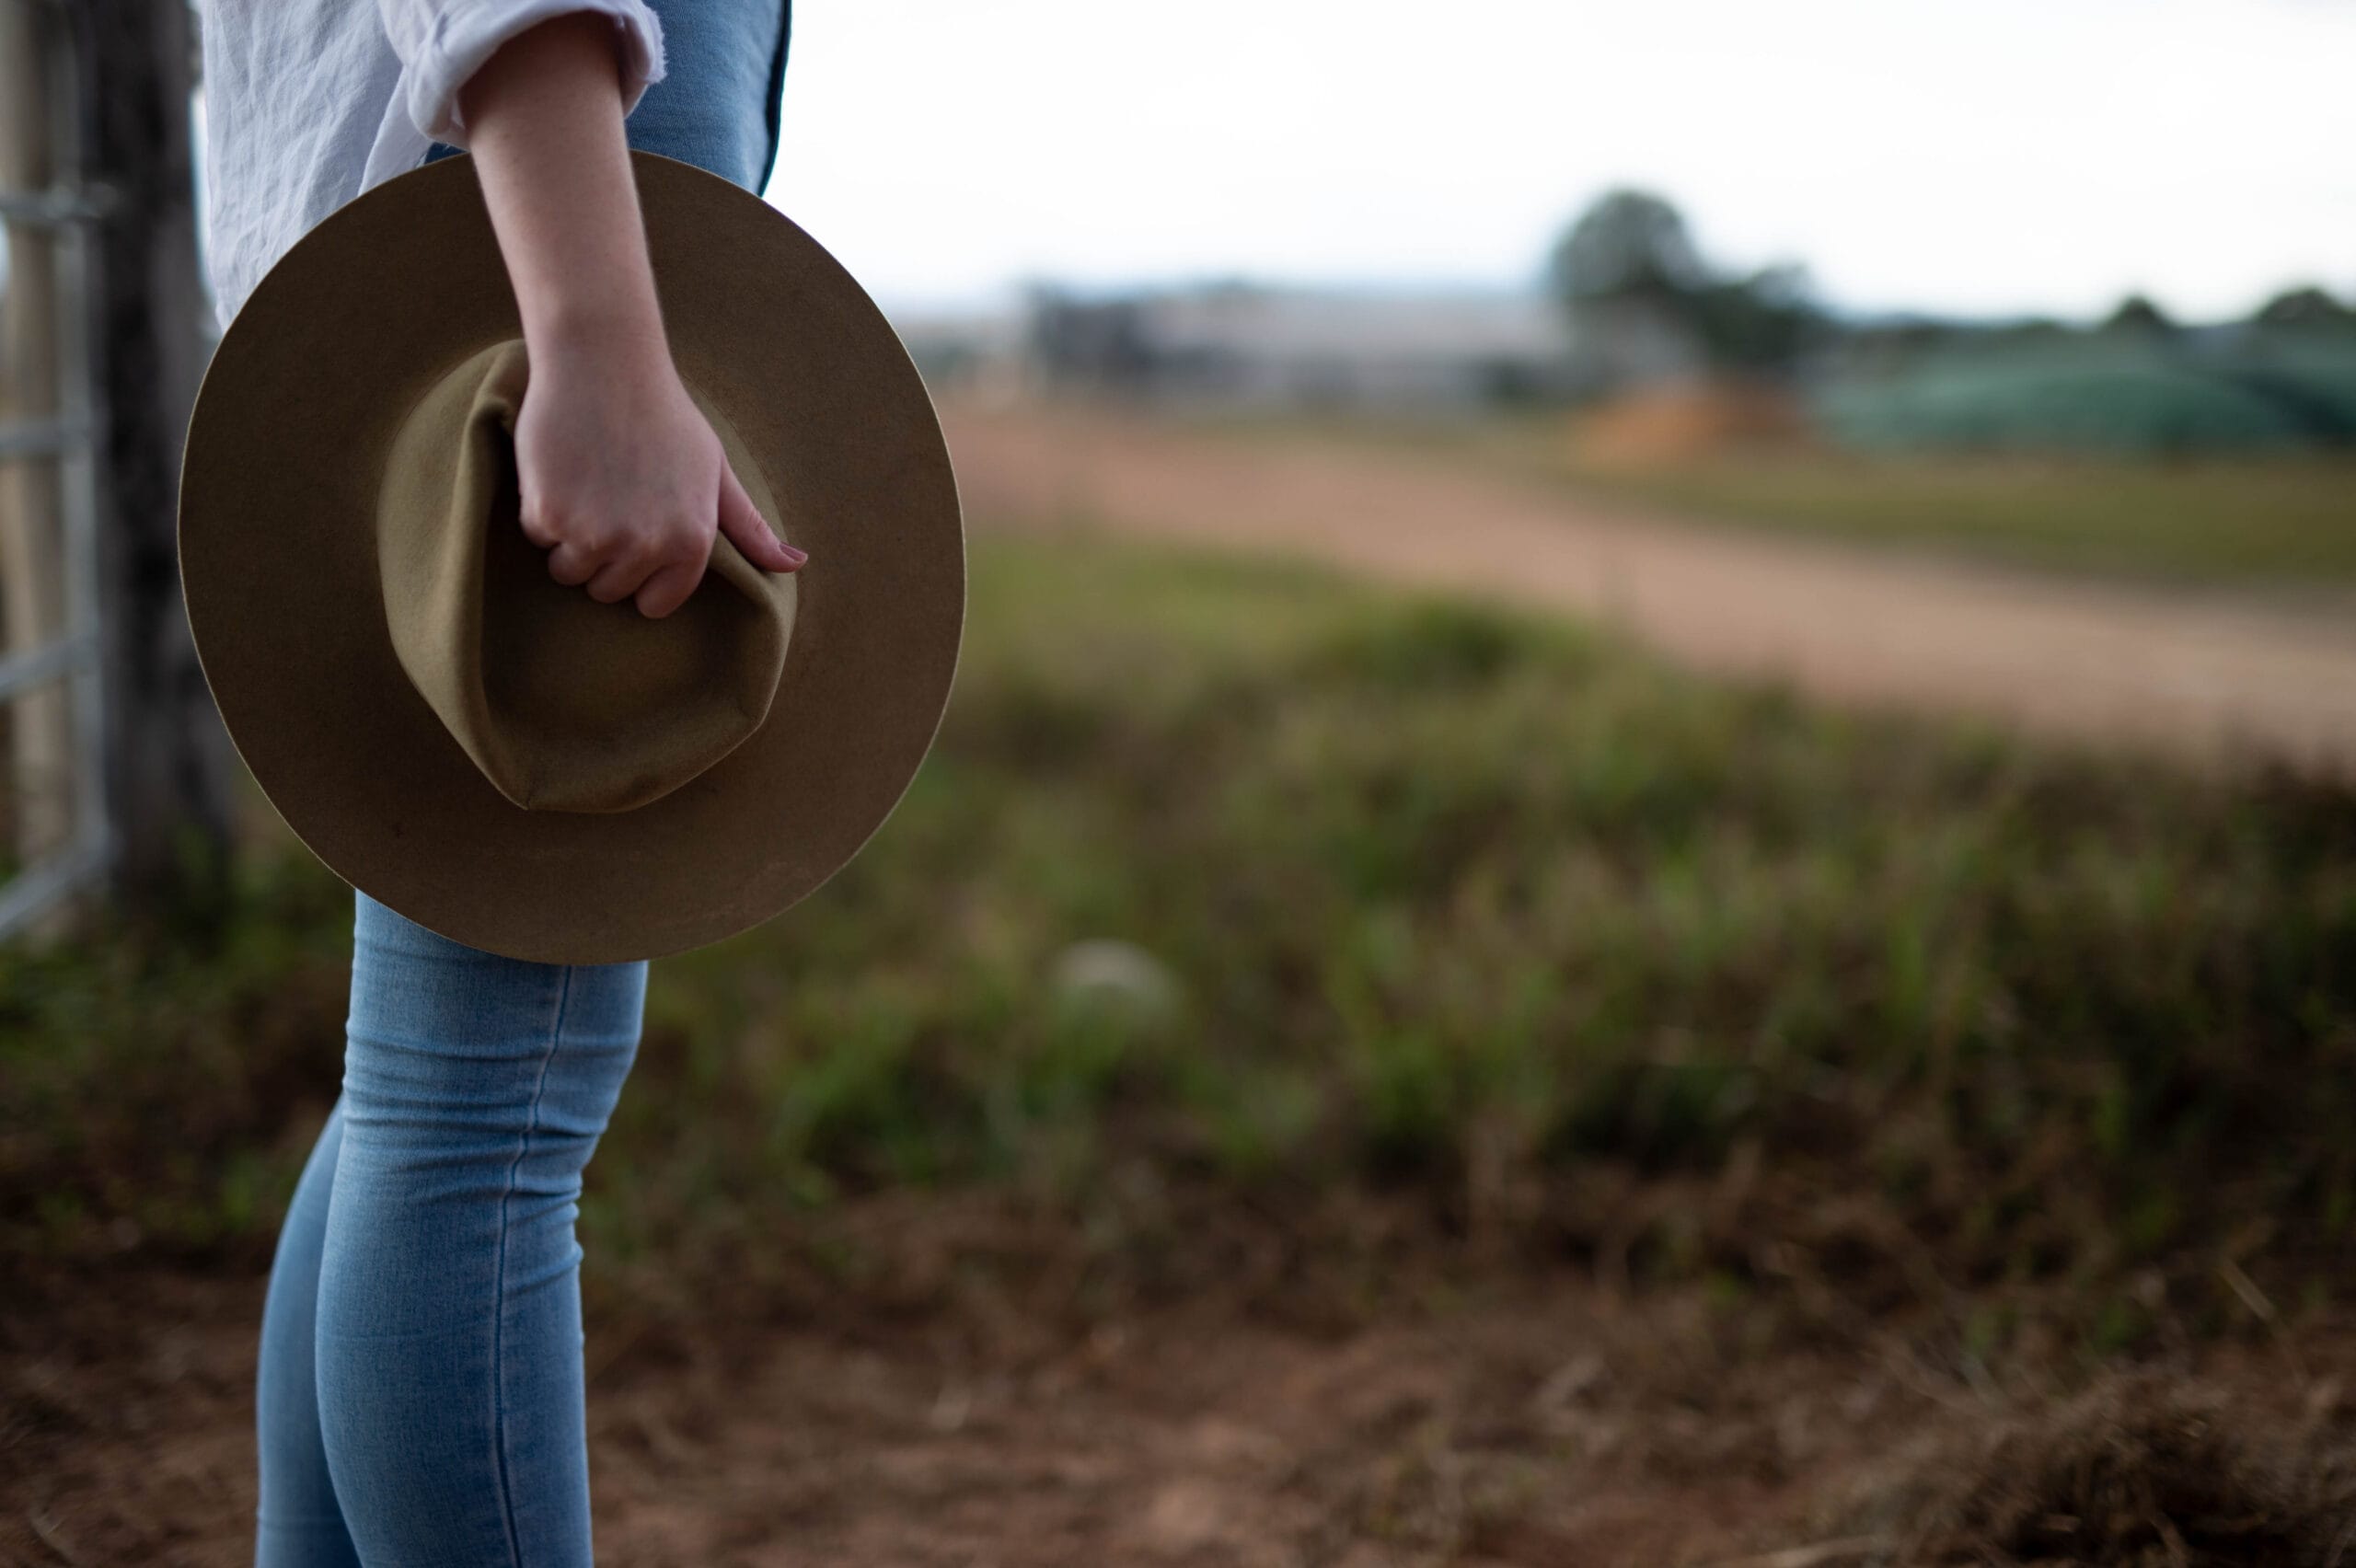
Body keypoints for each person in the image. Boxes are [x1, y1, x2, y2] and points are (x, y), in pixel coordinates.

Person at [197, 3, 797, 1562]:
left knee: (429, 1085)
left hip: (519, 176)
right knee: (483, 1106)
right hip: (545, 186)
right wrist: (597, 338)